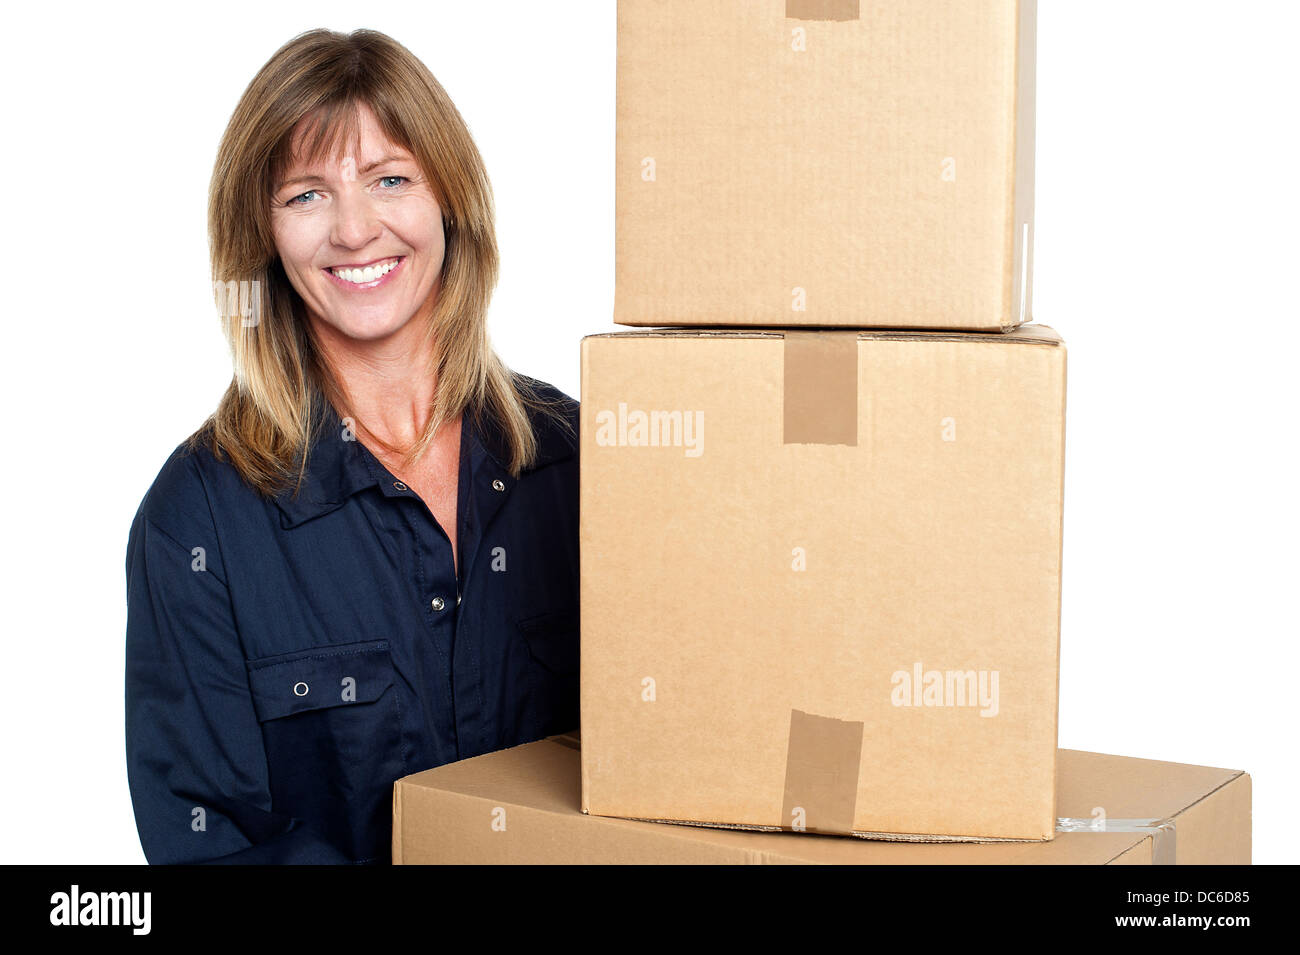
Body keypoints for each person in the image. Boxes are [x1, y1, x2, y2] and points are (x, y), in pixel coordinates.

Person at [124, 28, 579, 864]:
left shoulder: (578, 461)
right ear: (261, 237)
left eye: (390, 179)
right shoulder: (198, 522)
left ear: (451, 200)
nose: (354, 229)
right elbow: (206, 844)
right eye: (305, 196)